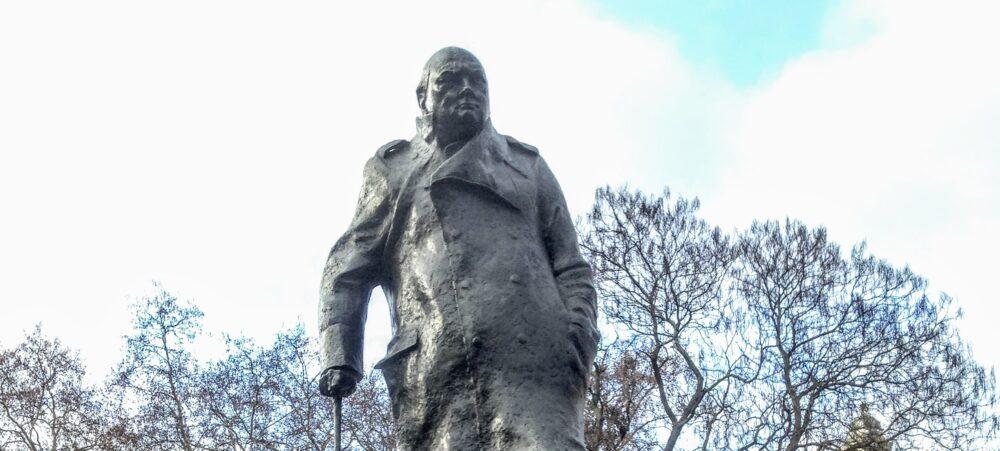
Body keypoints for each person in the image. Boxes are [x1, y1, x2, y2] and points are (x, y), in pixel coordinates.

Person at [318, 46, 598, 450]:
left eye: (477, 81)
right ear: (423, 97)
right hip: (436, 369)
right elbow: (347, 270)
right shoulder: (394, 171)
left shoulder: (527, 167)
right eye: (450, 80)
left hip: (536, 365)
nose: (467, 90)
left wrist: (577, 334)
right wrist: (340, 354)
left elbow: (572, 268)